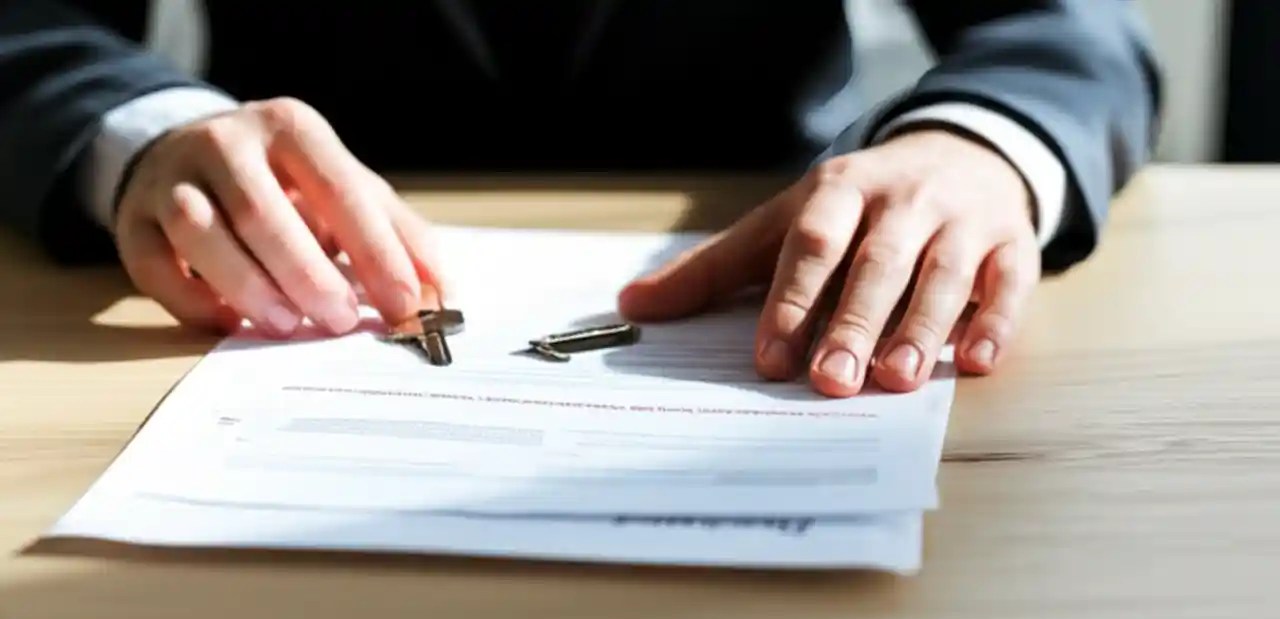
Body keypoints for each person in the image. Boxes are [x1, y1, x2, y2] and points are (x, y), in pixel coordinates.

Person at [0, 1, 1161, 397]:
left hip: (769, 243)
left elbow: (1073, 25)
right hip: (290, 243)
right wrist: (141, 132)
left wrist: (978, 143)